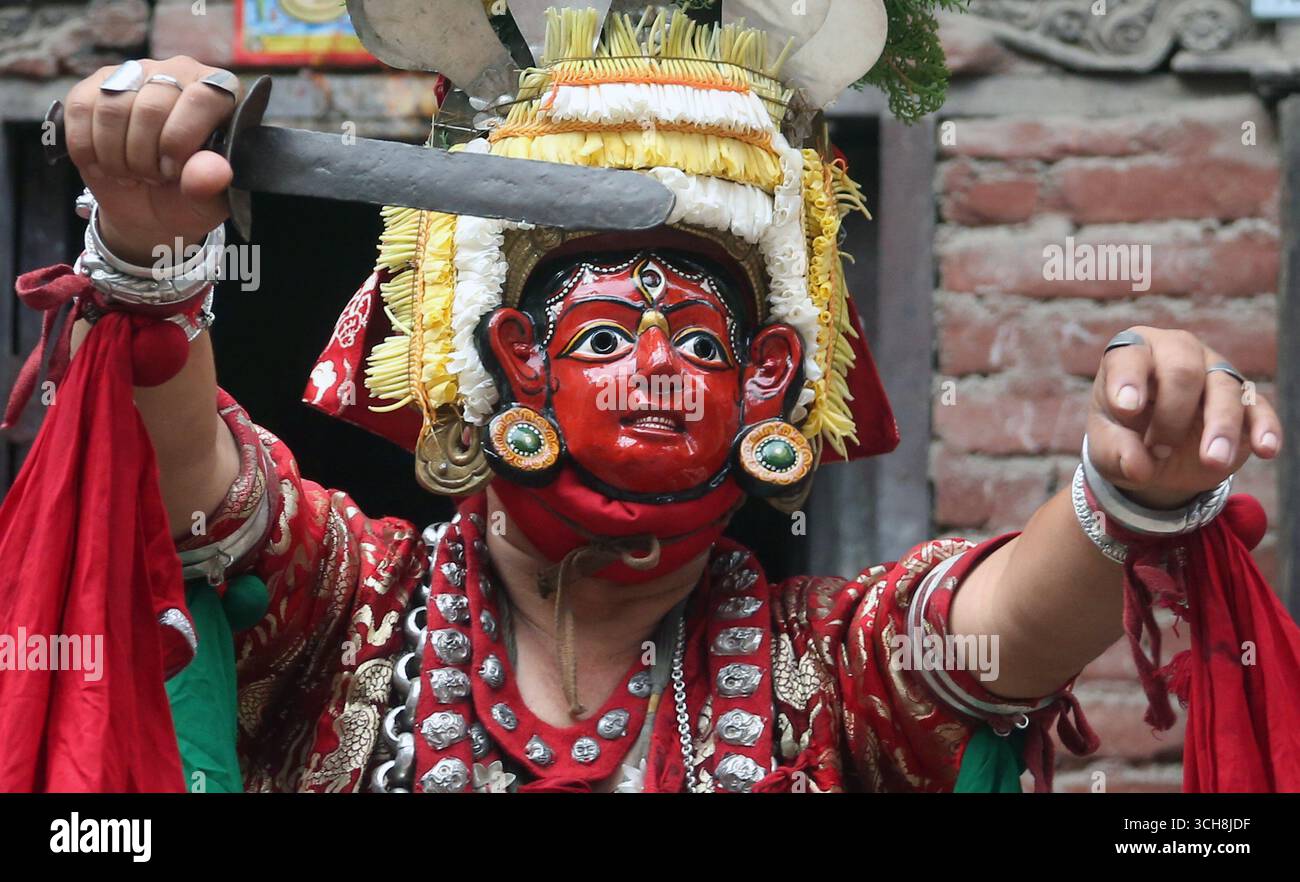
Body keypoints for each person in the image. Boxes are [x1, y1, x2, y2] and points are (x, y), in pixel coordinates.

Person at [2, 1, 1296, 794]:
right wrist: (152, 254)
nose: (661, 368)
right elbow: (194, 494)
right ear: (513, 357)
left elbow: (999, 630)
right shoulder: (352, 608)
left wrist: (1130, 487)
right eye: (608, 331)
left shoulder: (828, 669)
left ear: (771, 382)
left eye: (703, 339)